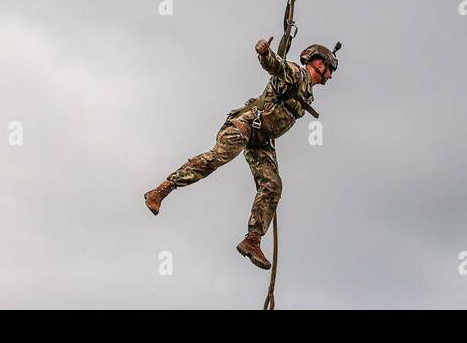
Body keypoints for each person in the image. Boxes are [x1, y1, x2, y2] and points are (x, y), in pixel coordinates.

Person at [144, 39, 339, 270]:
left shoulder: (307, 94)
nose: (330, 76)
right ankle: (161, 191)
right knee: (217, 158)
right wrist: (266, 54)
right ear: (318, 62)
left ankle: (252, 241)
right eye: (329, 69)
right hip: (245, 126)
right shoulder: (297, 74)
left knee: (272, 185)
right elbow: (278, 67)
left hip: (262, 141)